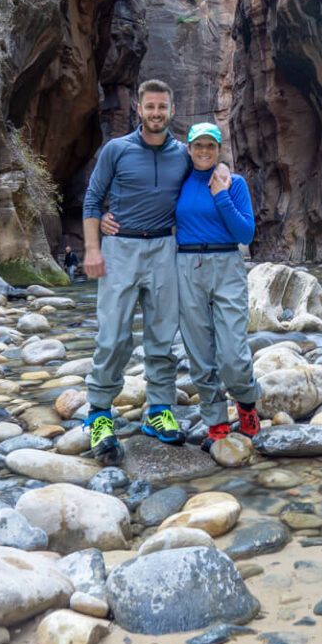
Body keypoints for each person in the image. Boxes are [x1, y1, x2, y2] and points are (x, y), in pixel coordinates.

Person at [82, 79, 191, 461]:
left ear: (171, 110)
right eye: (150, 107)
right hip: (120, 248)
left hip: (165, 247)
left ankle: (159, 412)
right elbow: (93, 200)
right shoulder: (117, 150)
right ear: (139, 110)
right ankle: (98, 414)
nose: (156, 114)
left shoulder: (184, 154)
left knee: (162, 334)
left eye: (163, 107)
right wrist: (93, 250)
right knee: (113, 336)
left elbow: (202, 186)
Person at [176, 123, 260, 447]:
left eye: (210, 146)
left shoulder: (234, 183)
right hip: (186, 266)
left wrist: (222, 195)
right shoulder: (179, 184)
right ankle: (215, 421)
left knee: (232, 355)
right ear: (189, 149)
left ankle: (247, 403)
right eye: (198, 145)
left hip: (227, 265)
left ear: (218, 149)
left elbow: (245, 235)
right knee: (199, 352)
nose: (204, 151)